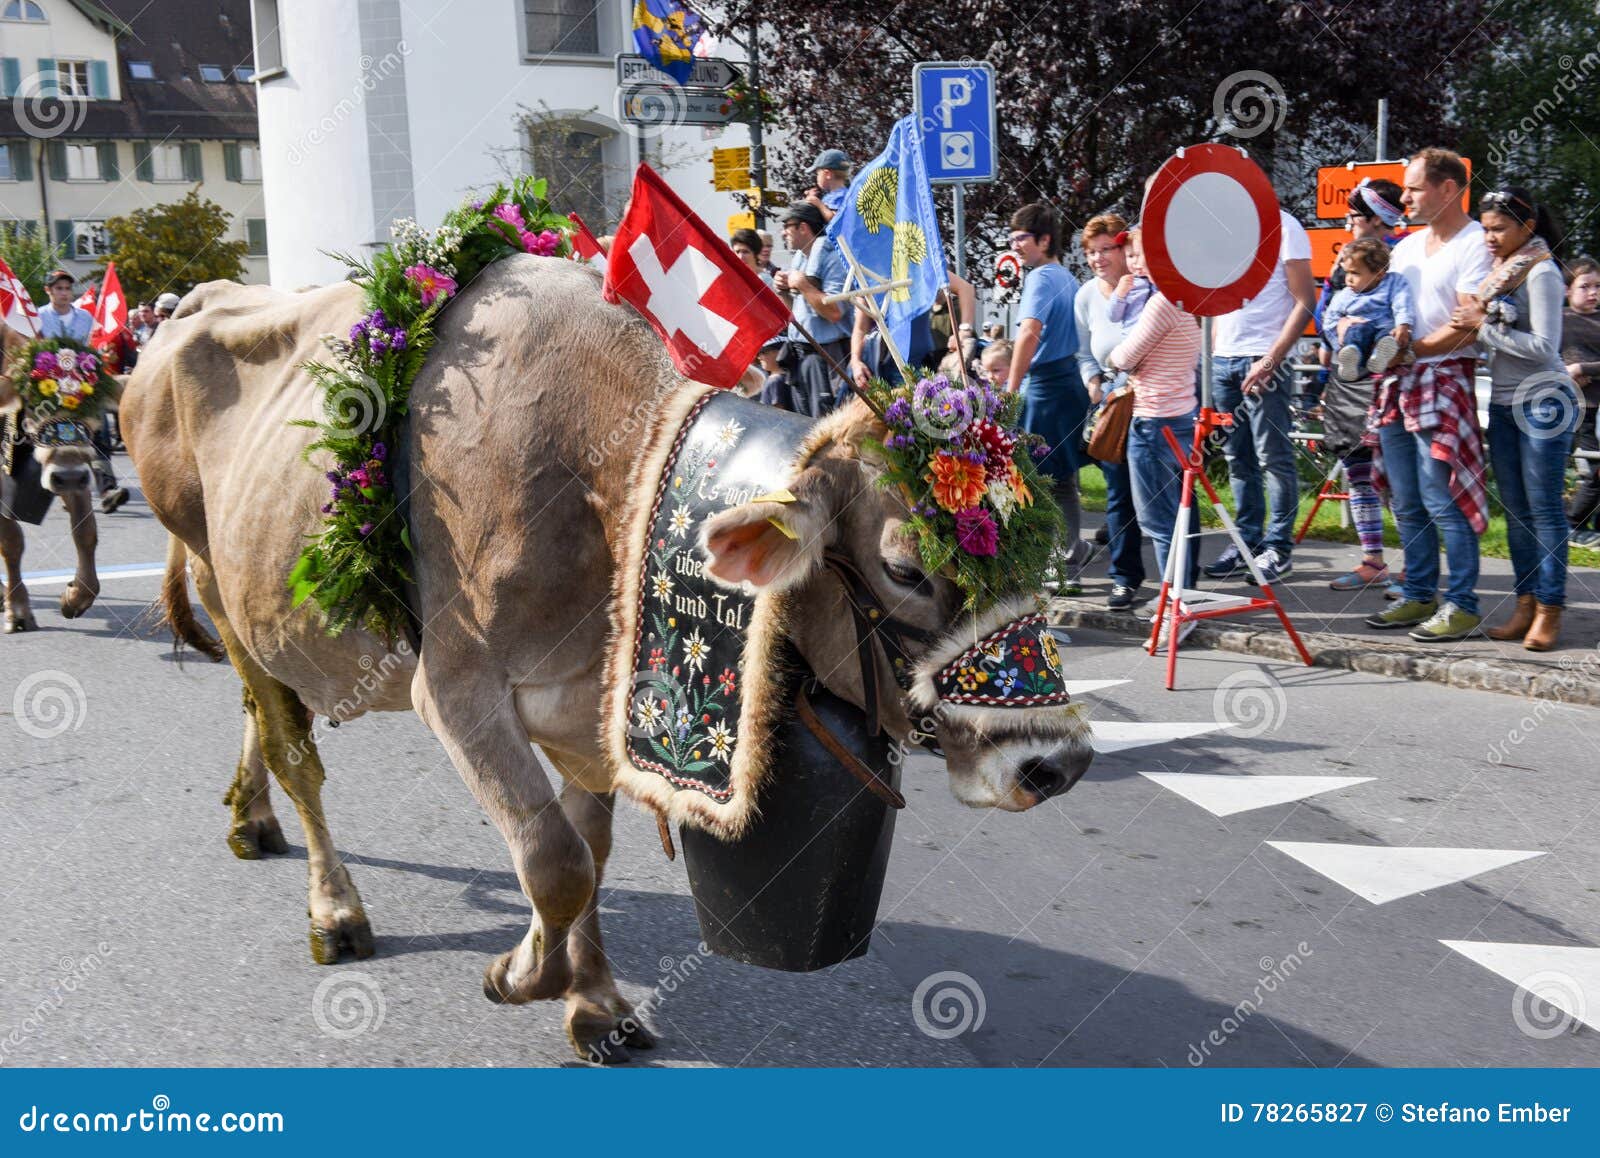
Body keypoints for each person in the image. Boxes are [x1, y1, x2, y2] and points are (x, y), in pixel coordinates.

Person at [1363, 148, 1494, 642]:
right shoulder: (1407, 246)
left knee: (1444, 496)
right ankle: (1418, 593)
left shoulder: (1474, 243)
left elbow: (1467, 328)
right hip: (1400, 383)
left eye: (1415, 187)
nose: (1406, 196)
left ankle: (1462, 604)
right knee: (1405, 497)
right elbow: (1385, 306)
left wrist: (1408, 351)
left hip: (1441, 380)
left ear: (1447, 188)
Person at [1447, 189, 1576, 650]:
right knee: (1518, 515)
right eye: (1484, 228)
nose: (1489, 237)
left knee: (1543, 511)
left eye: (1499, 228)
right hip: (1502, 404)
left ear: (1527, 227)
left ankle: (1549, 610)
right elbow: (1494, 343)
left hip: (1544, 402)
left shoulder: (1540, 273)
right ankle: (1524, 605)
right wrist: (1474, 330)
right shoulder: (1497, 277)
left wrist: (1482, 327)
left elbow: (1544, 347)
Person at [1203, 199, 1315, 585]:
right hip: (1225, 360)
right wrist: (1216, 351)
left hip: (1263, 358)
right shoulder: (1224, 230)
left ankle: (1278, 549)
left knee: (1274, 457)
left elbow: (1305, 301)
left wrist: (1271, 359)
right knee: (1238, 457)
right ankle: (1246, 542)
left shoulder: (1285, 227)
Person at [1105, 226, 1203, 644]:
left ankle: (1175, 614)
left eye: (1143, 254)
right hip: (1181, 416)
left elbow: (1122, 357)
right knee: (1173, 520)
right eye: (1131, 254)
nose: (1135, 262)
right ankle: (1178, 602)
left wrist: (1117, 356)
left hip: (1153, 421)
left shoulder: (1161, 304)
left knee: (1159, 523)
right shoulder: (1191, 300)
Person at [1314, 178, 1407, 595]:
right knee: (1357, 470)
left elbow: (1410, 314)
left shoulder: (1406, 257)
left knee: (1397, 475)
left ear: (1375, 219)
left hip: (1389, 376)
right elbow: (1324, 317)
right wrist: (1337, 339)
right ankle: (1373, 559)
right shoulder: (1343, 264)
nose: (1347, 221)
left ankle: (1416, 564)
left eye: (1352, 215)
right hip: (1348, 379)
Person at [1004, 202, 1097, 586]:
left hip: (1045, 388)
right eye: (1012, 238)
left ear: (1044, 240)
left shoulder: (1041, 278)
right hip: (1066, 383)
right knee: (1061, 478)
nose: (1015, 245)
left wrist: (1009, 388)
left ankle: (1062, 564)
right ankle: (1072, 551)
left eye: (1021, 238)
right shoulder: (1066, 277)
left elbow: (1028, 333)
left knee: (1040, 479)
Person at [1073, 212, 1147, 610]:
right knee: (1118, 494)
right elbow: (1084, 352)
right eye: (1091, 252)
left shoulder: (1148, 289)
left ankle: (1181, 577)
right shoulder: (1086, 296)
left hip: (1151, 395)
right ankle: (1125, 577)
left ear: (1124, 250)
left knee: (1158, 490)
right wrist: (1093, 381)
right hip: (1113, 401)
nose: (1099, 259)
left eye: (1107, 250)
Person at [774, 203, 853, 417]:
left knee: (823, 423)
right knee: (805, 423)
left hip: (824, 356)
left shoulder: (832, 258)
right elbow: (798, 315)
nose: (783, 232)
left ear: (803, 227)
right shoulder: (801, 258)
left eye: (787, 225)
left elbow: (835, 312)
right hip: (798, 353)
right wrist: (783, 292)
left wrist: (803, 285)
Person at [1322, 238, 1415, 383]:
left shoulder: (1393, 282)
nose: (1349, 280)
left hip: (1386, 327)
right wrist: (1338, 341)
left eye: (1355, 273)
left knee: (1389, 335)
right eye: (1347, 273)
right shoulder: (1344, 295)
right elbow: (1329, 320)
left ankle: (1380, 355)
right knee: (1356, 331)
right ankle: (1351, 358)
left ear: (1379, 274)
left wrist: (1403, 324)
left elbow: (1402, 301)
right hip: (1360, 328)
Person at [1561, 256, 1600, 546]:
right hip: (1576, 409)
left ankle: (1584, 526)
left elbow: (1580, 368)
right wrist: (1566, 373)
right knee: (1590, 469)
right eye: (1585, 286)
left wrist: (1582, 369)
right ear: (1567, 290)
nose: (1593, 292)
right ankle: (1571, 525)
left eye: (1598, 286)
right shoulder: (1559, 320)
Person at [37, 269, 94, 342]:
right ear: (48, 290)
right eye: (59, 288)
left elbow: (93, 345)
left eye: (68, 288)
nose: (64, 293)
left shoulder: (85, 316)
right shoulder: (39, 316)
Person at [804, 149, 851, 224]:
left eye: (818, 174)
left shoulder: (842, 196)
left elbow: (836, 220)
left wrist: (818, 203)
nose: (817, 177)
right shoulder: (831, 196)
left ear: (827, 174)